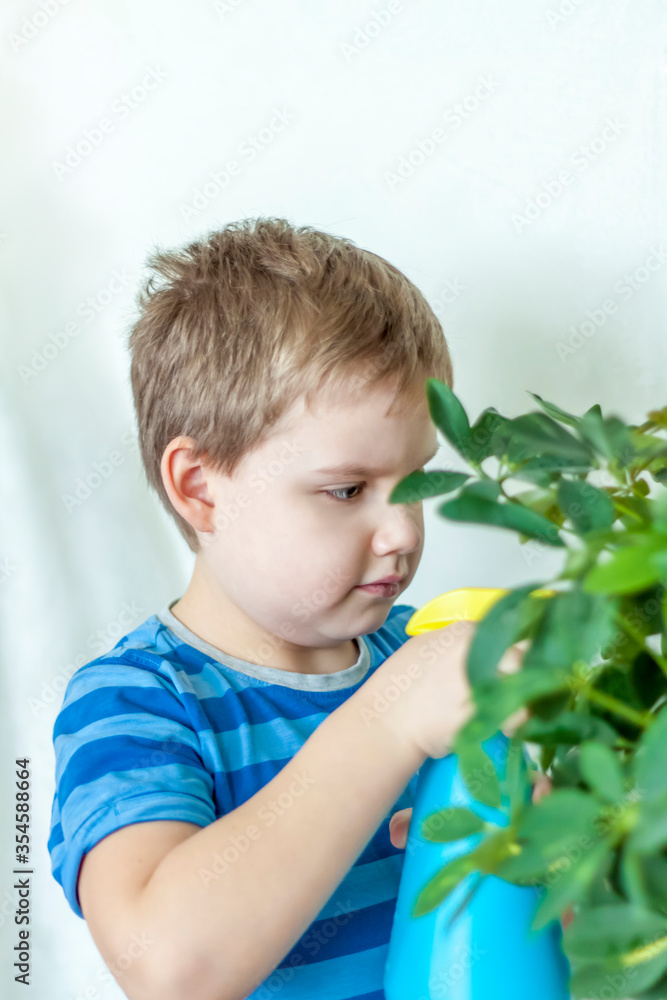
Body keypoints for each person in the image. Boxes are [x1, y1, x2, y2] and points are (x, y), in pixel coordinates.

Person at [48, 217, 550, 1000]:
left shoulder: (419, 653)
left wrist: (556, 843)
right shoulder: (137, 702)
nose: (402, 530)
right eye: (346, 490)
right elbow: (167, 966)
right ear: (200, 487)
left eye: (416, 479)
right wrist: (389, 719)